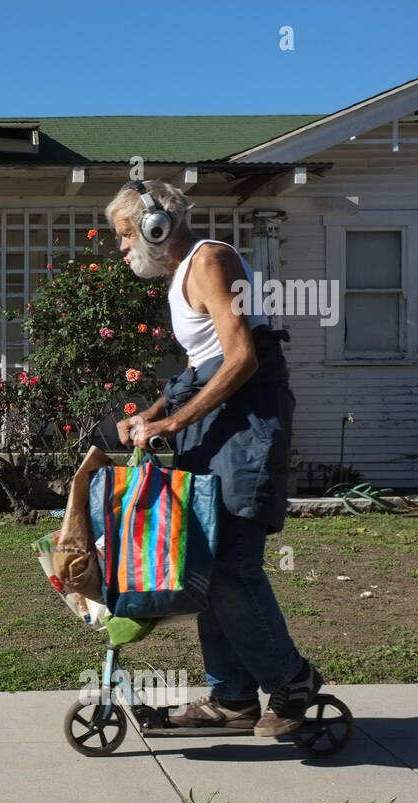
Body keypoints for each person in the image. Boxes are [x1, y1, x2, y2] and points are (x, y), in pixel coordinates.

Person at [104, 179, 323, 738]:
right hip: (215, 425)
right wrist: (153, 412)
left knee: (232, 566)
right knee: (202, 562)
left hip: (246, 426)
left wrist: (173, 423)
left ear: (157, 227)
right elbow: (201, 363)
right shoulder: (184, 274)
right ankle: (232, 698)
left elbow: (243, 357)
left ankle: (292, 680)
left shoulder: (210, 261)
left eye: (126, 235)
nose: (121, 247)